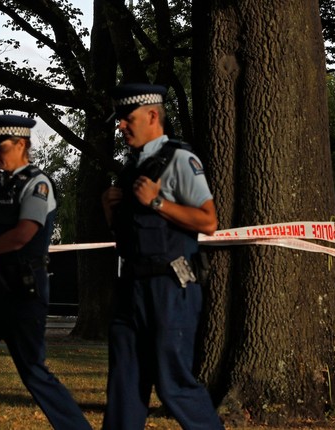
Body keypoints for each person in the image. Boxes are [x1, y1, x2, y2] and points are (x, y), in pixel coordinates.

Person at [0, 114, 91, 430]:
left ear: (21, 144)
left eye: (0, 146)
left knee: (33, 371)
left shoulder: (37, 184)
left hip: (22, 290)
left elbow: (24, 233)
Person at [101, 83, 223, 430]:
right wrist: (110, 211)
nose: (121, 126)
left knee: (174, 386)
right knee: (124, 387)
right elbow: (130, 235)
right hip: (131, 289)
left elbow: (209, 221)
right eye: (120, 120)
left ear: (153, 115)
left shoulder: (180, 160)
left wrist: (158, 201)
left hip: (171, 287)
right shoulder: (130, 168)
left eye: (128, 119)